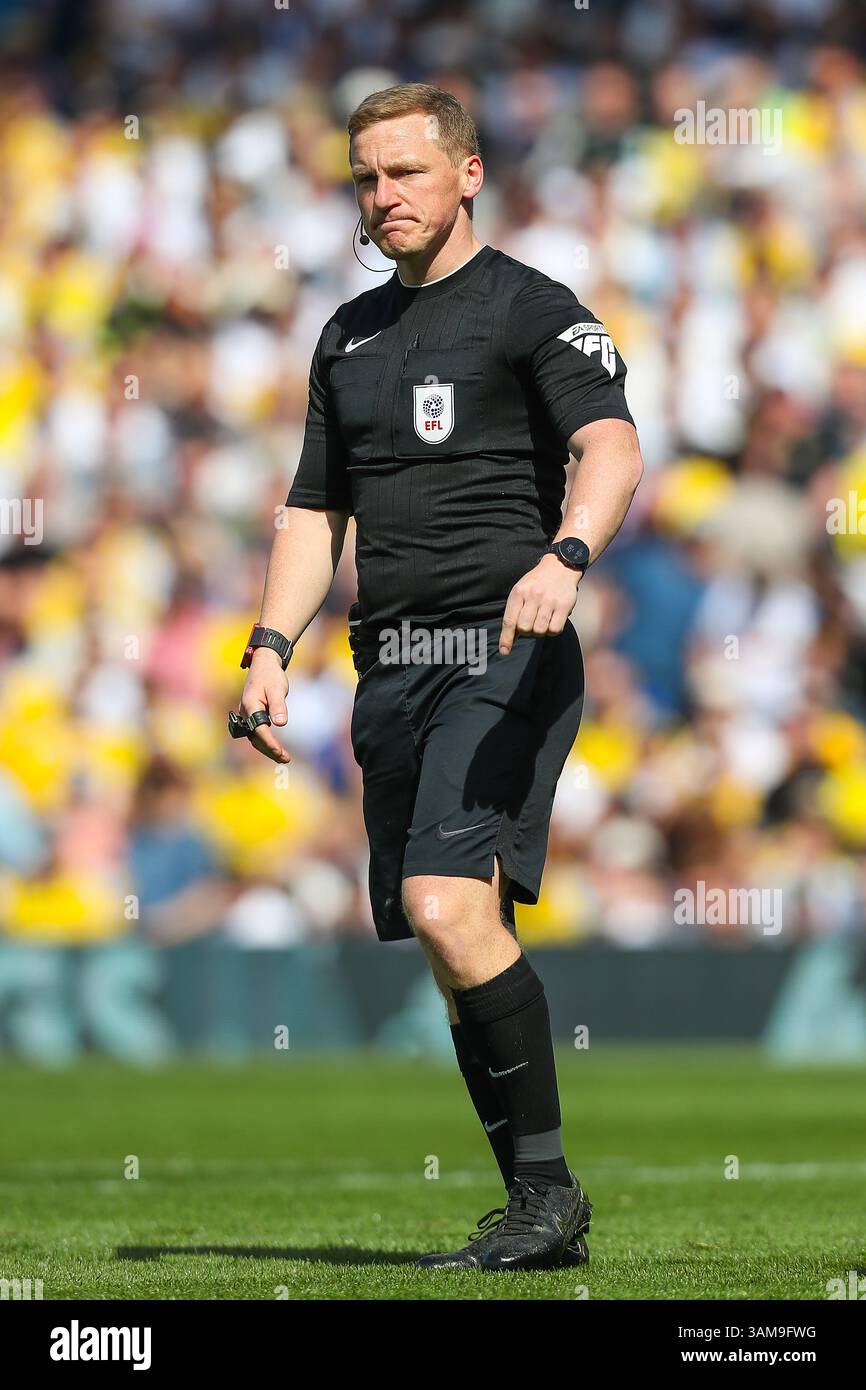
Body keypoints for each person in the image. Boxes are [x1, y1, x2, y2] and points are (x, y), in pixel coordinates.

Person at [234, 82, 643, 1272]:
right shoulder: (347, 334)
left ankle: (548, 1194)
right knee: (450, 934)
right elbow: (315, 512)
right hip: (389, 669)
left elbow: (610, 444)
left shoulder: (531, 309)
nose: (383, 197)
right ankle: (534, 1205)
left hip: (503, 651)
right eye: (365, 178)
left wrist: (566, 553)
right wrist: (268, 646)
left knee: (444, 906)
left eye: (405, 172)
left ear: (467, 174)